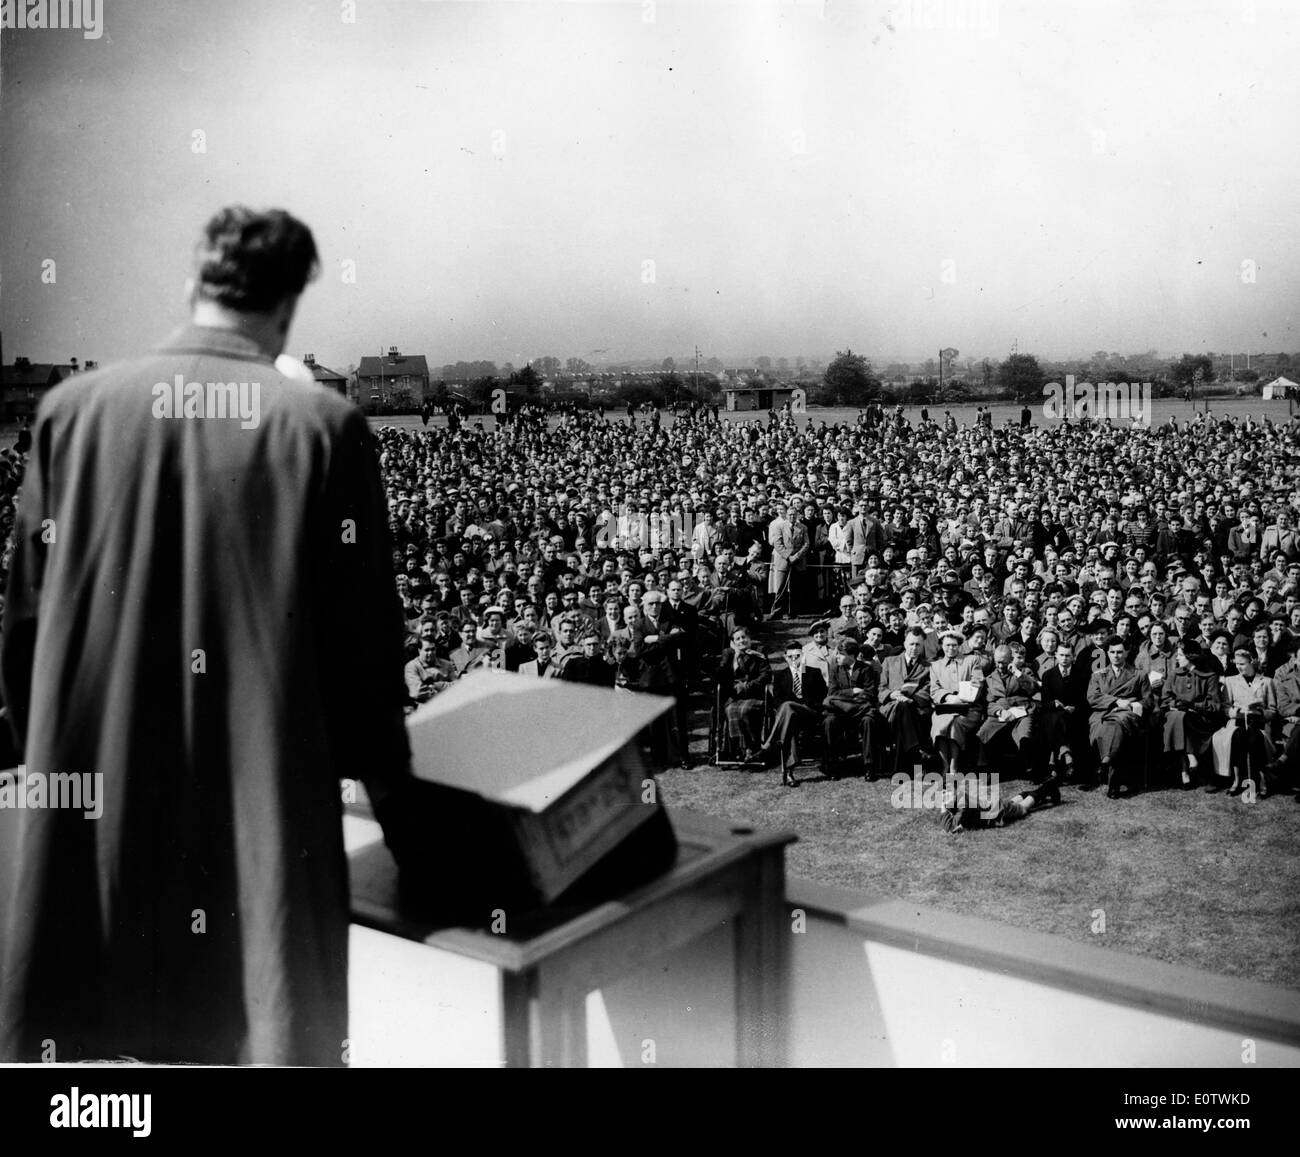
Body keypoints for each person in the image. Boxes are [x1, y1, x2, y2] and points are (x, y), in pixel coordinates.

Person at [0, 206, 414, 1065]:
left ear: (192, 283)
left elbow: (24, 642)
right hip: (257, 833)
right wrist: (422, 848)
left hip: (95, 825)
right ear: (291, 304)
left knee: (100, 1080)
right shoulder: (324, 429)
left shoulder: (68, 413)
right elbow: (367, 679)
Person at [1087, 636, 1152, 799]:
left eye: (1119, 652)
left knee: (1117, 725)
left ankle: (1107, 765)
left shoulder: (1139, 675)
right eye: (1112, 652)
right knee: (1113, 728)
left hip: (1128, 714)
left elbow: (1148, 700)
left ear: (1127, 653)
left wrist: (1132, 704)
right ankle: (1111, 775)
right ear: (1107, 653)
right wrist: (1117, 701)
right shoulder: (1098, 675)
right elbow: (1092, 697)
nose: (1116, 655)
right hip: (1103, 713)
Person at [1210, 647, 1278, 796]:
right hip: (1237, 722)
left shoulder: (1267, 682)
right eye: (1237, 664)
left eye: (1242, 664)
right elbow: (1225, 707)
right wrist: (1236, 713)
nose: (1238, 667)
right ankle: (1237, 779)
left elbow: (1272, 710)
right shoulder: (1230, 681)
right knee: (1238, 737)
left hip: (1258, 723)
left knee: (1255, 739)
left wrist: (1260, 712)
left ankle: (1260, 779)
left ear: (1252, 662)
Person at [1160, 639, 1224, 789]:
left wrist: (1193, 705)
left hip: (1201, 719)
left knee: (1184, 718)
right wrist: (1176, 704)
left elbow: (1215, 706)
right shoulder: (1175, 674)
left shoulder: (1209, 676)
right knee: (1180, 717)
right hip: (1178, 716)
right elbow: (1165, 700)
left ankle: (1185, 770)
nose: (1176, 658)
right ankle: (1189, 759)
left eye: (1180, 655)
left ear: (1190, 657)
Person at [761, 641, 827, 785]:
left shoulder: (813, 672)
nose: (794, 659)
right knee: (789, 717)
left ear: (802, 656)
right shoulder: (780, 675)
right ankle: (789, 772)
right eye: (790, 656)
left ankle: (770, 743)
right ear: (785, 657)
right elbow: (777, 701)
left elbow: (822, 696)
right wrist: (792, 705)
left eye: (797, 656)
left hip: (810, 714)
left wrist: (804, 704)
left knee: (788, 707)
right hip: (791, 717)